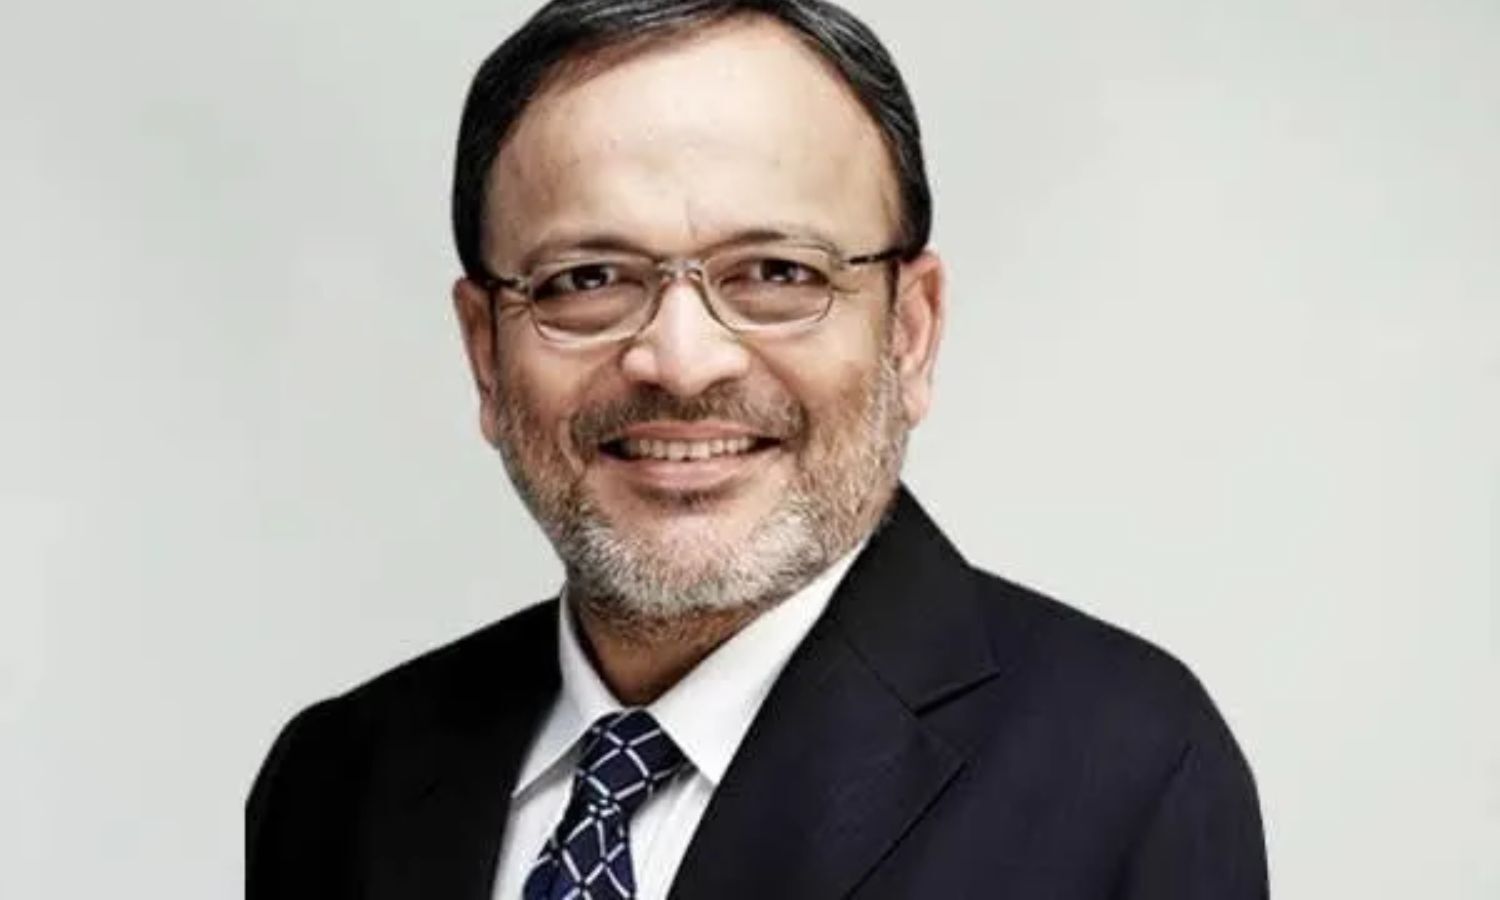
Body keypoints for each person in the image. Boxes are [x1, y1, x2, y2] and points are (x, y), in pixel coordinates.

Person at [246, 1, 1268, 897]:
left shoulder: (1125, 771)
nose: (680, 362)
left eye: (777, 272)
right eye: (588, 280)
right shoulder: (335, 782)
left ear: (910, 331)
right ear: (484, 351)